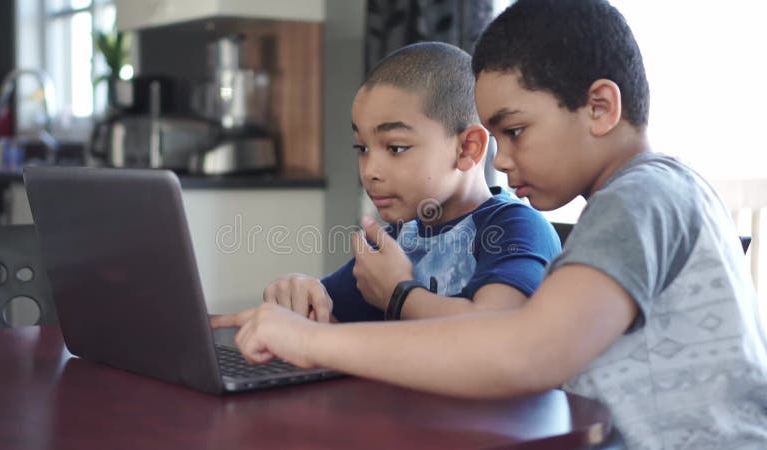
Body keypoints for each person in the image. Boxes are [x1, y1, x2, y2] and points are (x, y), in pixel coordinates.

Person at [213, 1, 767, 448]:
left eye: (517, 131)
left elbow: (526, 351)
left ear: (600, 108)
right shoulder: (637, 199)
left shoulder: (644, 196)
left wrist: (315, 344)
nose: (499, 160)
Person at [246, 42, 560, 324]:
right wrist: (301, 293)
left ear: (468, 148)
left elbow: (498, 329)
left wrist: (398, 294)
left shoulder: (516, 228)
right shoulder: (394, 240)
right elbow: (328, 312)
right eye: (362, 148)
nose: (369, 171)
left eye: (396, 147)